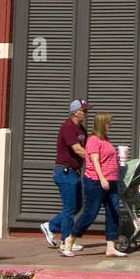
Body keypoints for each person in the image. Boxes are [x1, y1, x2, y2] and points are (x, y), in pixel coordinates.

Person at [61, 111, 126, 257]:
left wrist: (117, 160)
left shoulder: (106, 140)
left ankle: (111, 247)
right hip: (96, 182)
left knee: (114, 212)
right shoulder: (93, 140)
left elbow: (106, 158)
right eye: (108, 123)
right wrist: (102, 178)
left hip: (112, 181)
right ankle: (70, 239)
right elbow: (95, 160)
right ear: (102, 124)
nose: (110, 126)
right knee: (90, 213)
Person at [40, 100, 89, 251]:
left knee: (77, 206)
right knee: (69, 208)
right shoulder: (68, 127)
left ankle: (51, 226)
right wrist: (96, 159)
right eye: (84, 111)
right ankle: (65, 240)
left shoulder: (81, 129)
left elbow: (87, 147)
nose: (86, 114)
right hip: (65, 172)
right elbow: (78, 149)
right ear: (75, 112)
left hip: (75, 172)